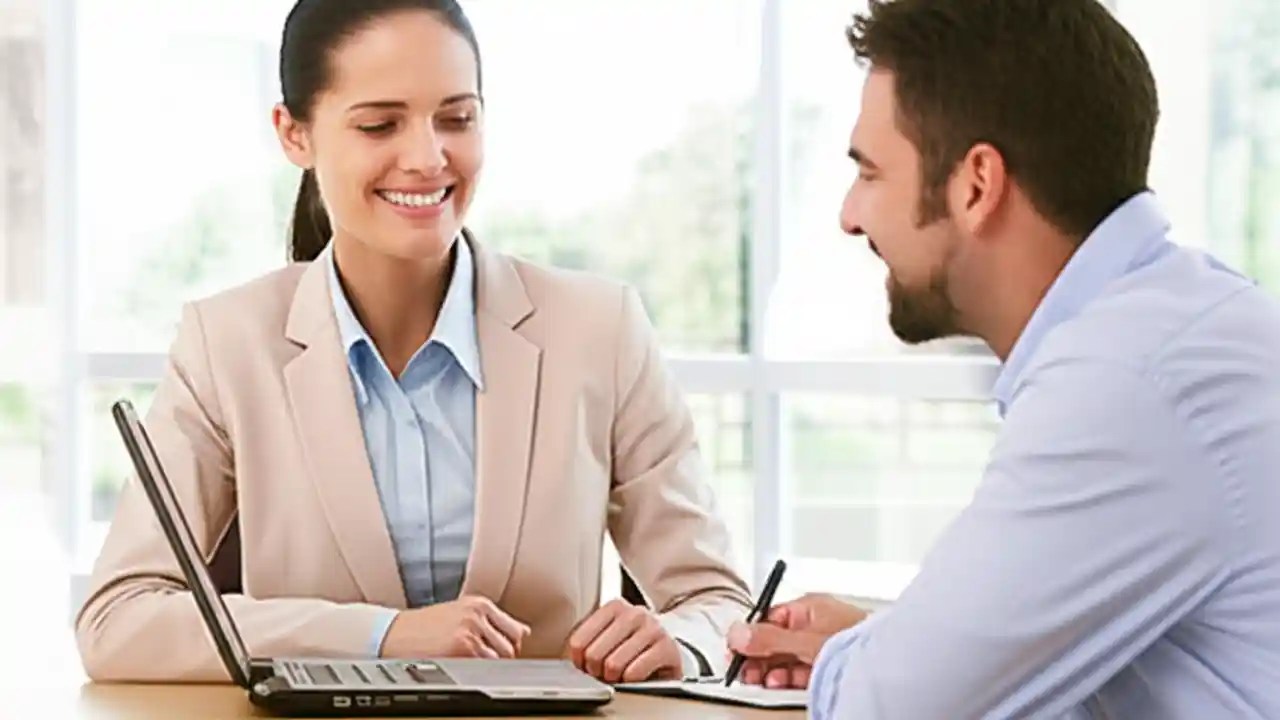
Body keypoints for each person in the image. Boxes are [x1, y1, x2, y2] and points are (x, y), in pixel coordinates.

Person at [75, 0, 751, 684]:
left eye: (456, 119)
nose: (428, 158)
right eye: (379, 125)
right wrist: (381, 635)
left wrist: (676, 640)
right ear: (294, 135)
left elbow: (719, 602)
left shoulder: (600, 330)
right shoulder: (226, 345)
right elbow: (117, 620)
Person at [726, 0, 1280, 717]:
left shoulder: (1126, 384)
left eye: (870, 173)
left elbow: (892, 709)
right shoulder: (1175, 325)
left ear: (976, 185)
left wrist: (868, 662)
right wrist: (881, 646)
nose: (849, 215)